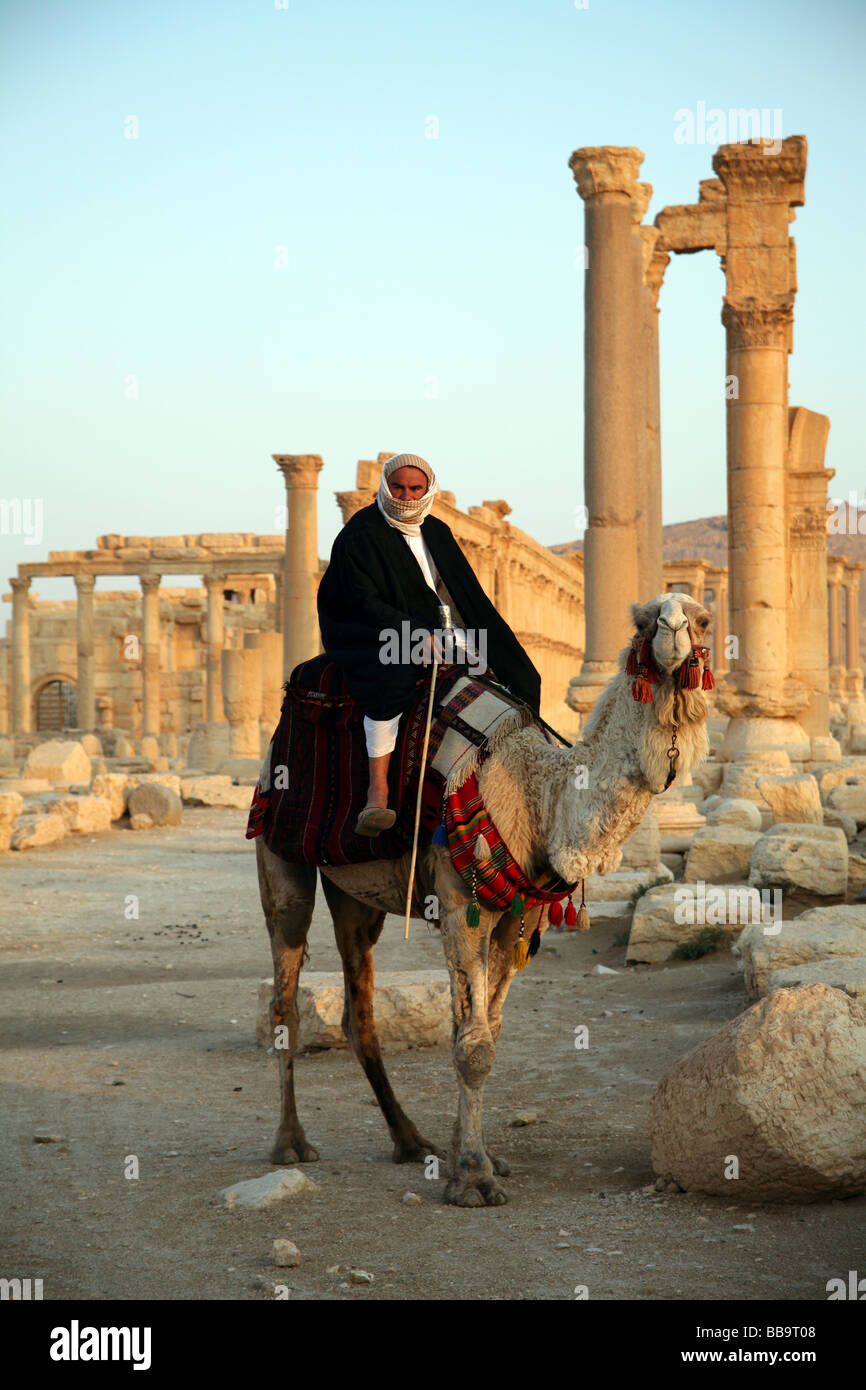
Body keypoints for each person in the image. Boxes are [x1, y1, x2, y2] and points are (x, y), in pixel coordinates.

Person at [316, 453, 541, 836]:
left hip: (440, 628)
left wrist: (472, 633)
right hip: (372, 629)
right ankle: (378, 789)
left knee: (518, 670)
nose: (406, 495)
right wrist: (414, 631)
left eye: (415, 488)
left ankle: (525, 776)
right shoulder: (362, 531)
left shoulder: (436, 530)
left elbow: (464, 592)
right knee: (394, 675)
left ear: (428, 489)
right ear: (386, 486)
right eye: (398, 487)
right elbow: (362, 599)